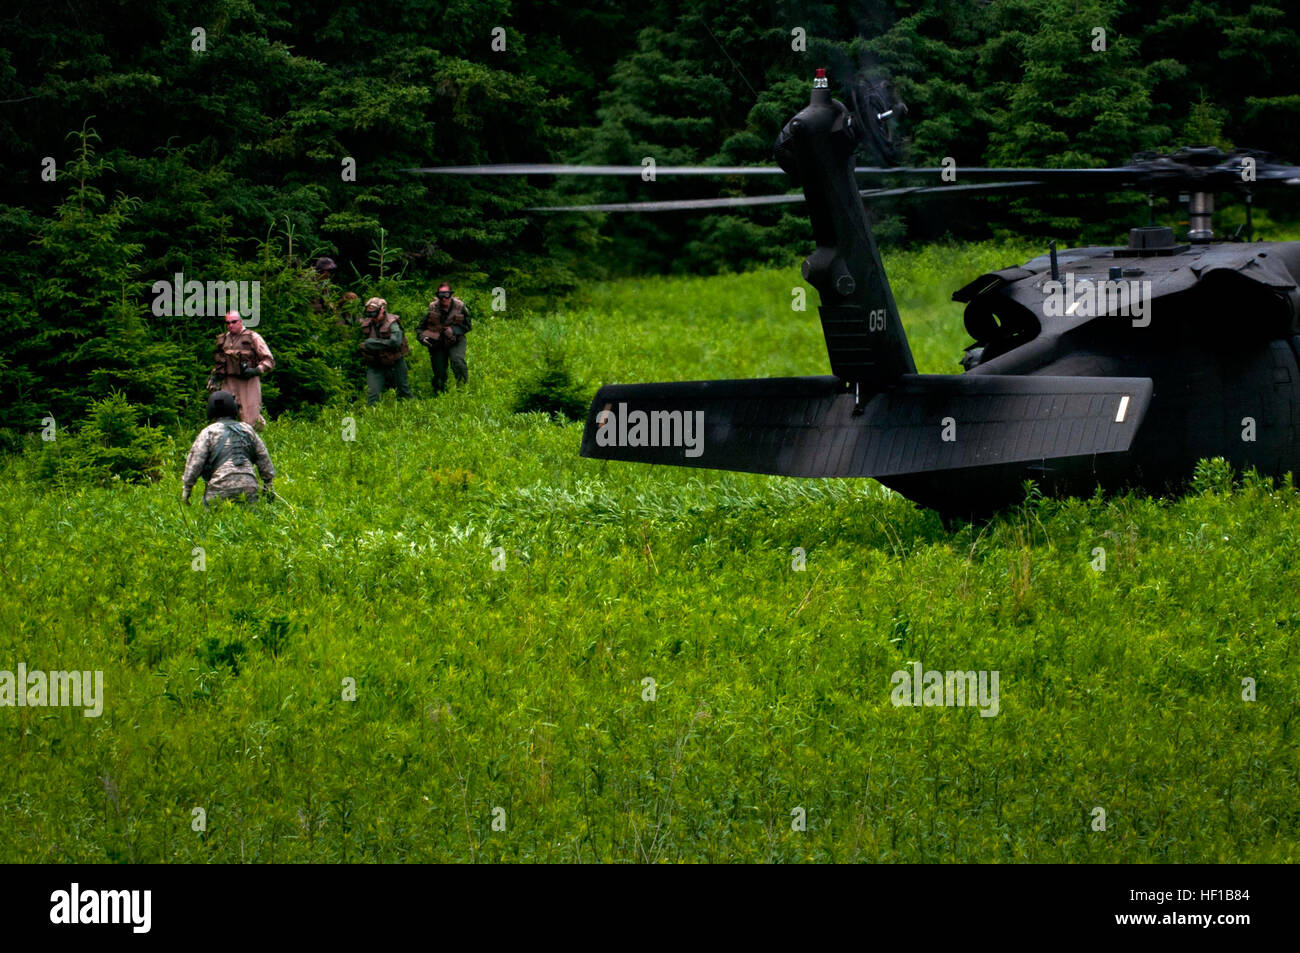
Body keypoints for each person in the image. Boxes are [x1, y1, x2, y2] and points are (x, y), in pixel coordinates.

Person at [182, 391, 275, 506]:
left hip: (219, 489)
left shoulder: (208, 432)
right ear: (234, 408)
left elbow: (195, 463)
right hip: (249, 488)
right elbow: (263, 457)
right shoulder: (248, 430)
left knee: (213, 520)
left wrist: (187, 489)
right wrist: (269, 484)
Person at [208, 310, 274, 429]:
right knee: (224, 418)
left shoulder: (253, 337)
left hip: (248, 382)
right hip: (228, 381)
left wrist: (255, 370)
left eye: (233, 322)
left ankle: (259, 441)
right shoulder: (222, 340)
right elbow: (219, 360)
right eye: (227, 323)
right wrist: (215, 376)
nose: (230, 325)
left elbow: (269, 360)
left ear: (240, 321)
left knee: (251, 420)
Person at [416, 283, 471, 394]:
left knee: (458, 361)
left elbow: (468, 325)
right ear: (437, 296)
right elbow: (420, 328)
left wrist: (454, 330)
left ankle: (463, 388)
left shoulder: (460, 307)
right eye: (441, 295)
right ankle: (439, 391)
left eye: (447, 295)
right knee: (439, 371)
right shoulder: (432, 308)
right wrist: (422, 337)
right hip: (437, 343)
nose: (444, 298)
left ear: (451, 295)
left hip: (455, 340)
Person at [359, 296, 412, 404]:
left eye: (373, 313)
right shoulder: (366, 324)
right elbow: (362, 343)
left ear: (382, 310)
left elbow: (395, 342)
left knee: (404, 391)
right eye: (368, 313)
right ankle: (372, 418)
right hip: (375, 364)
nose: (371, 317)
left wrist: (373, 343)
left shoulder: (392, 323)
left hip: (395, 362)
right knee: (372, 395)